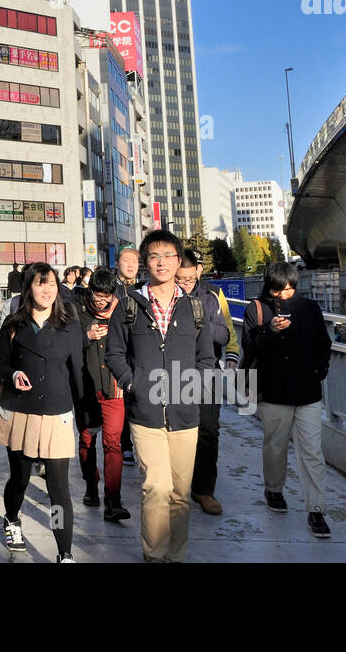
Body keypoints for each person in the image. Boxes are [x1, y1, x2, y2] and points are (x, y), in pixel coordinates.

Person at [105, 229, 215, 562]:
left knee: (181, 494)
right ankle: (154, 556)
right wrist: (133, 383)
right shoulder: (129, 305)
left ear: (179, 261)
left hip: (185, 415)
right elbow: (114, 354)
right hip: (145, 413)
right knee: (156, 488)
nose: (162, 262)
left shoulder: (194, 309)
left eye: (168, 255)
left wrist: (193, 390)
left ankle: (175, 556)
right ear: (144, 263)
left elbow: (207, 359)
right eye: (154, 256)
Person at [0, 262, 85, 563]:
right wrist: (13, 374)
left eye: (52, 284)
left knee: (59, 490)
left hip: (57, 411)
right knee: (19, 478)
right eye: (40, 283)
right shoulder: (13, 324)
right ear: (28, 287)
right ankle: (11, 518)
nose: (47, 289)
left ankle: (64, 552)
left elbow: (78, 371)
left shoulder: (69, 322)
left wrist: (85, 415)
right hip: (21, 410)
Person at [241, 261, 333, 539]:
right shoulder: (256, 309)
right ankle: (274, 489)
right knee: (276, 446)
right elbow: (249, 346)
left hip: (307, 391)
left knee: (312, 452)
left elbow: (323, 343)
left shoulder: (309, 308)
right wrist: (270, 331)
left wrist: (319, 370)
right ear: (269, 287)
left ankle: (316, 510)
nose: (284, 294)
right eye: (279, 289)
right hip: (273, 390)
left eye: (290, 288)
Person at [176, 251, 240, 516]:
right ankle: (176, 489)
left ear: (199, 272)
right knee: (177, 431)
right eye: (181, 279)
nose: (185, 284)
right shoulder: (161, 294)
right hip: (172, 373)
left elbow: (225, 333)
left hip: (207, 373)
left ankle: (204, 490)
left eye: (190, 278)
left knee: (208, 431)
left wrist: (199, 321)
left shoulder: (212, 295)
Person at [70, 267, 131, 522]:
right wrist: (86, 335)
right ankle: (91, 486)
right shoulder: (74, 308)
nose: (102, 301)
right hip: (85, 385)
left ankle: (113, 500)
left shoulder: (122, 307)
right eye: (97, 295)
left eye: (106, 296)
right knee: (86, 439)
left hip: (113, 385)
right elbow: (64, 344)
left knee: (112, 442)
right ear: (89, 290)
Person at [113, 247, 142, 466]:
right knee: (121, 401)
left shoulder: (143, 289)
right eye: (126, 260)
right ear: (117, 263)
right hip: (117, 351)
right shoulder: (111, 289)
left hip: (139, 351)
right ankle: (125, 445)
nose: (131, 265)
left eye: (135, 261)